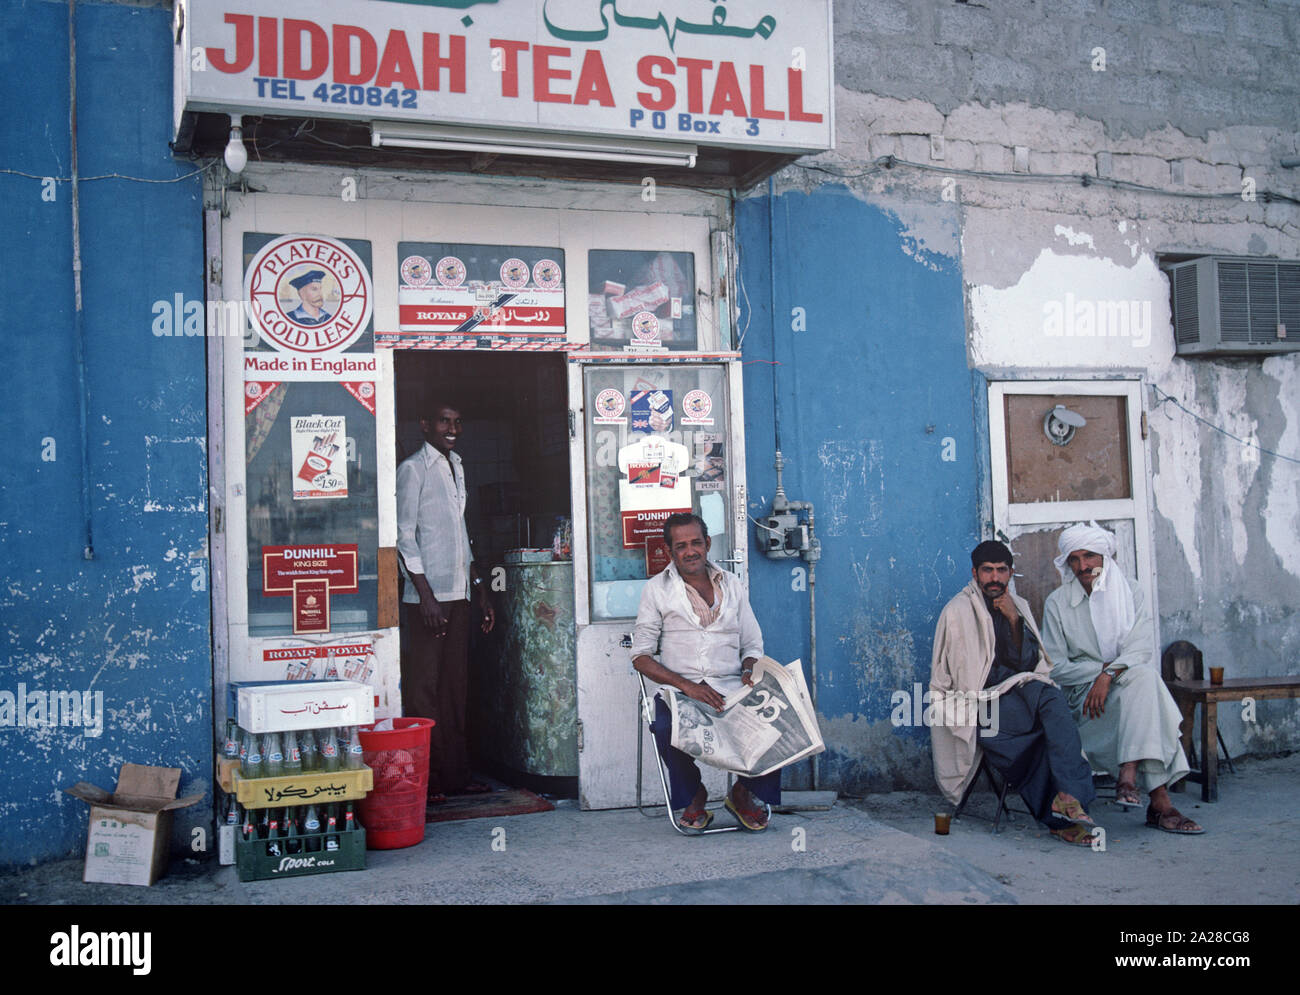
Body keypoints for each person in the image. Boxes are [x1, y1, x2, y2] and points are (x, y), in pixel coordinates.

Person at [930, 540, 1100, 845]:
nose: (995, 578)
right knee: (1037, 737)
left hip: (1019, 692)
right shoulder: (957, 611)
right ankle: (1059, 819)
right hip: (981, 704)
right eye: (988, 571)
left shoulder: (1017, 605)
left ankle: (1069, 796)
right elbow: (963, 678)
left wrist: (1012, 619)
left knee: (1052, 698)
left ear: (1010, 573)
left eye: (1001, 570)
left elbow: (1030, 665)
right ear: (975, 573)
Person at [1040, 523, 1202, 834]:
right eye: (1074, 559)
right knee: (1146, 686)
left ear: (1105, 556)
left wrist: (1111, 674)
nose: (1083, 566)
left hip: (1124, 689)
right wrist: (1102, 671)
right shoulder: (1057, 604)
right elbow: (1056, 667)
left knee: (1142, 679)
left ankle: (1130, 773)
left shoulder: (1131, 591)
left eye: (1089, 556)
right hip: (1086, 704)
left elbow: (1140, 647)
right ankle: (1160, 803)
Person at [631, 513, 777, 832]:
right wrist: (688, 687)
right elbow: (640, 656)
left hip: (730, 688)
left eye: (696, 542)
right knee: (666, 726)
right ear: (670, 551)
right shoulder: (657, 590)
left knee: (776, 721)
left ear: (708, 543)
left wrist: (750, 668)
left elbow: (752, 643)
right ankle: (695, 796)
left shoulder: (733, 584)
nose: (690, 551)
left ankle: (741, 793)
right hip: (680, 692)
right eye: (681, 546)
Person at [396, 402, 495, 803]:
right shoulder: (413, 469)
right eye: (443, 421)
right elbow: (403, 536)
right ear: (424, 424)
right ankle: (430, 780)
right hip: (428, 601)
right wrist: (426, 595)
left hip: (459, 595)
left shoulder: (458, 465)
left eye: (457, 422)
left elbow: (461, 533)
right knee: (425, 690)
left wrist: (480, 590)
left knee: (455, 688)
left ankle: (456, 775)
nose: (451, 428)